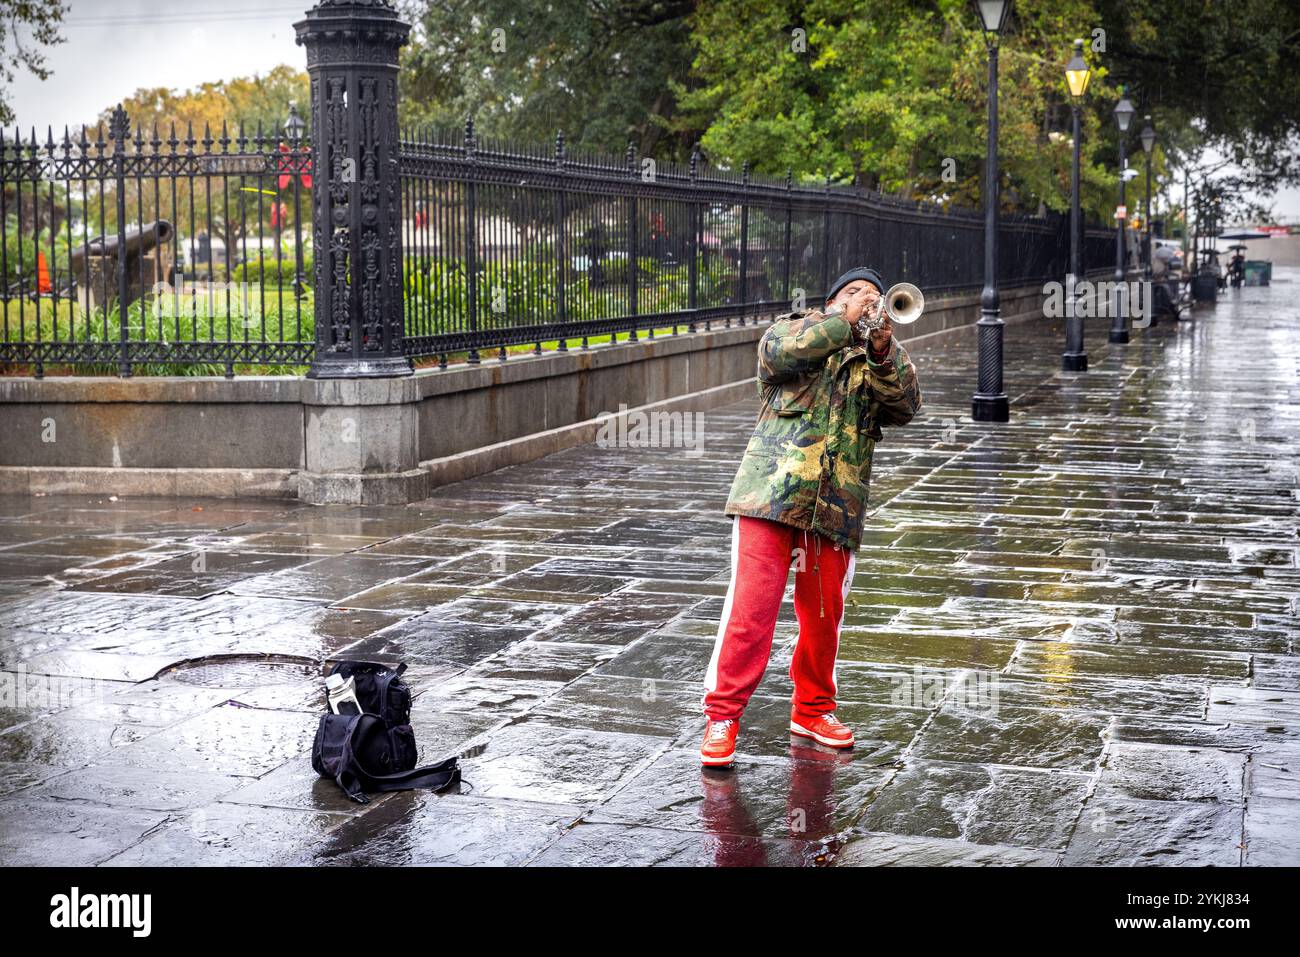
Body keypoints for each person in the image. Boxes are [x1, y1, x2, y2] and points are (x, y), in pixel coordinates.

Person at [700, 267, 923, 767]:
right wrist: (842, 321)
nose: (867, 301)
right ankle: (723, 716)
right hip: (770, 497)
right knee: (750, 613)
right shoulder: (793, 330)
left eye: (874, 295)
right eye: (854, 293)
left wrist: (883, 347)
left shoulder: (877, 357)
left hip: (836, 507)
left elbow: (906, 406)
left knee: (824, 620)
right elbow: (778, 356)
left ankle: (813, 710)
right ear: (831, 302)